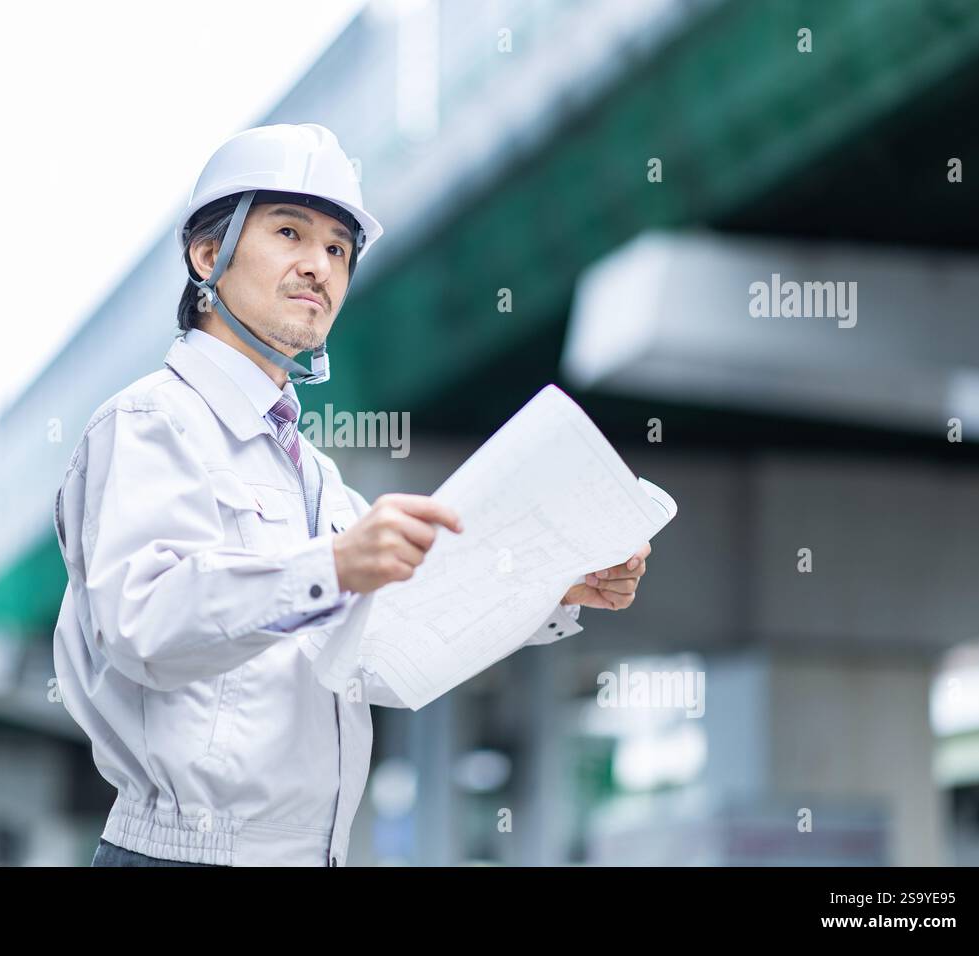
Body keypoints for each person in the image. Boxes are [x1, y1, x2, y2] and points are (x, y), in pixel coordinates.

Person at [51, 123, 650, 867]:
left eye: (339, 249)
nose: (319, 266)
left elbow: (386, 648)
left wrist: (552, 583)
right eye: (290, 233)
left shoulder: (315, 477)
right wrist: (332, 567)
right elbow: (144, 626)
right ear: (207, 254)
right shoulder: (151, 422)